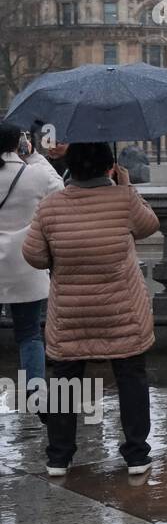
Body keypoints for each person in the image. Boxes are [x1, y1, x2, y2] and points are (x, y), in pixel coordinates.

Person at [23, 143, 159, 476]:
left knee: (65, 380)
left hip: (71, 311)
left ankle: (59, 456)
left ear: (71, 167)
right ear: (109, 167)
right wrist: (126, 186)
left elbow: (34, 255)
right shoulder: (123, 200)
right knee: (130, 378)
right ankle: (137, 454)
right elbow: (149, 226)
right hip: (121, 311)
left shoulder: (51, 207)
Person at [0, 124, 64, 407]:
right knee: (29, 334)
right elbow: (59, 191)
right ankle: (36, 395)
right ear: (19, 144)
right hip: (25, 263)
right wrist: (35, 156)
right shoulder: (35, 175)